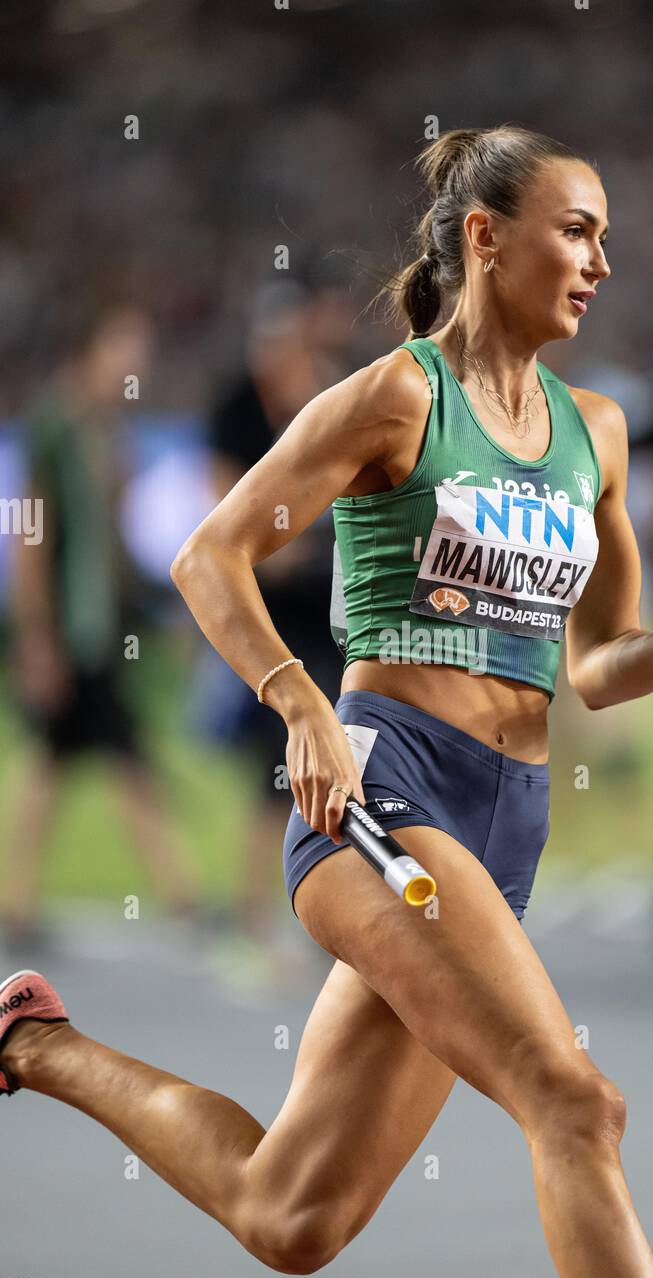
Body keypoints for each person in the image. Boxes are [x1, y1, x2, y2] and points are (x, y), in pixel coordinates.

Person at [0, 126, 653, 1278]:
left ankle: (32, 1044)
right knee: (574, 1101)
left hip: (505, 825)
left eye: (605, 237)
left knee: (290, 1215)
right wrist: (300, 704)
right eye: (575, 231)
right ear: (484, 237)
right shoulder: (394, 398)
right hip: (383, 797)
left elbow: (593, 666)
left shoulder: (597, 431)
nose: (600, 262)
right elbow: (209, 557)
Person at [0, 304, 199, 949]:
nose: (135, 364)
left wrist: (154, 608)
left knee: (83, 764)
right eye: (125, 348)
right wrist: (37, 639)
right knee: (98, 764)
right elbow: (29, 532)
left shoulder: (108, 430)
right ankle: (181, 898)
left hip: (102, 633)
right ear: (93, 350)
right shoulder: (53, 427)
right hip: (67, 636)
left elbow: (111, 546)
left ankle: (22, 901)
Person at [204, 282, 344, 943]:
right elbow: (225, 524)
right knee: (276, 775)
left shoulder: (331, 397)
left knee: (352, 763)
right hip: (273, 617)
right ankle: (255, 921)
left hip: (333, 612)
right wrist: (287, 544)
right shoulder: (236, 408)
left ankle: (334, 918)